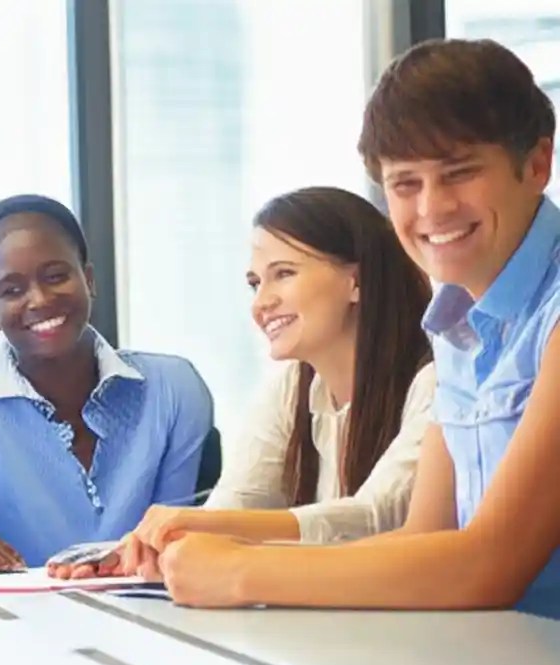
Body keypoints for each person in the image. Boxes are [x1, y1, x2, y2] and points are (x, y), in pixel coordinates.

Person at [124, 39, 560, 619]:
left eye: (460, 174)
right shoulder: (457, 326)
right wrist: (222, 553)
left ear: (536, 164)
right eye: (405, 184)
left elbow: (489, 566)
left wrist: (240, 569)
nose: (432, 209)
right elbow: (424, 539)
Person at [50, 187, 434, 580]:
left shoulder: (434, 383)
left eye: (283, 274)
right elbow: (239, 504)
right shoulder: (294, 385)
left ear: (357, 282)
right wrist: (137, 552)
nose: (261, 303)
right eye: (255, 283)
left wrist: (203, 527)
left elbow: (378, 516)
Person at [0, 194, 214, 574]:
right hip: (12, 625)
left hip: (145, 613)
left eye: (56, 276)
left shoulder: (173, 389)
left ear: (88, 279)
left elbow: (176, 535)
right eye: (12, 290)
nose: (40, 299)